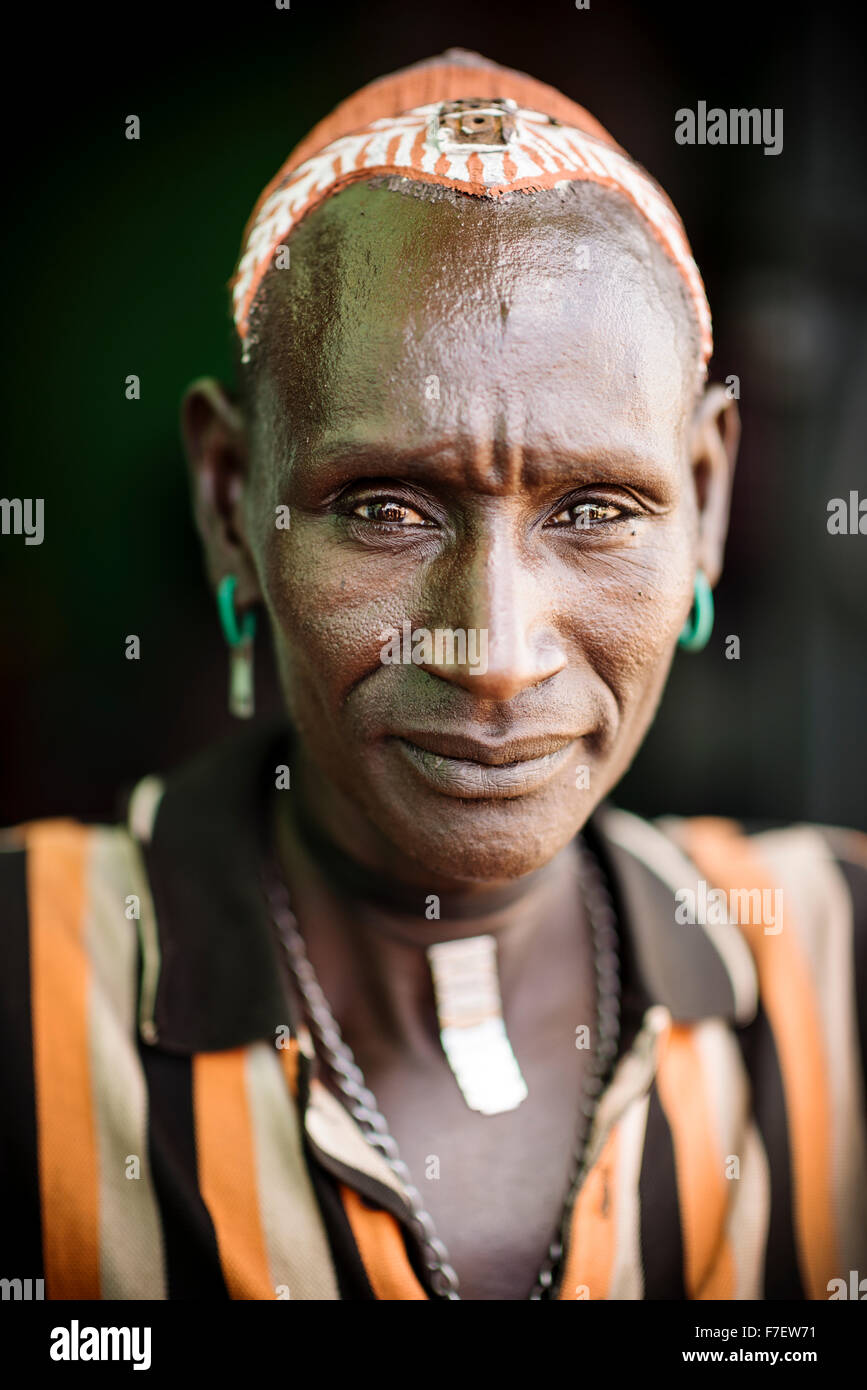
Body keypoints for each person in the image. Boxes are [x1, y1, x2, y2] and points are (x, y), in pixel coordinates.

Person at [2, 48, 865, 1303]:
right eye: (387, 508)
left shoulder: (839, 965)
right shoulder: (26, 985)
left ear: (711, 501)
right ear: (230, 499)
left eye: (597, 509)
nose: (500, 656)